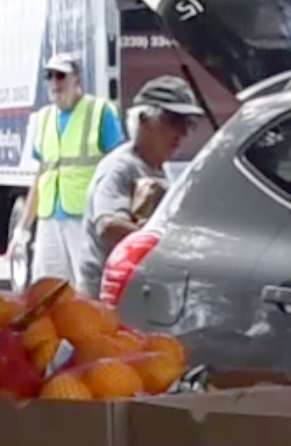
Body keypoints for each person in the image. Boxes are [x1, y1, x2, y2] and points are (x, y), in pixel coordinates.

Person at [83, 76, 205, 294]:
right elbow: (108, 228)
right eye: (173, 121)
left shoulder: (155, 166)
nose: (183, 133)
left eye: (188, 124)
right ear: (144, 120)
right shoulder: (120, 167)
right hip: (103, 296)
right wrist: (163, 240)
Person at [22, 54, 123, 294]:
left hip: (85, 219)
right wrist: (22, 227)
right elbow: (41, 174)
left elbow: (118, 166)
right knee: (47, 292)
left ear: (77, 79)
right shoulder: (43, 118)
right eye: (49, 76)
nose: (54, 83)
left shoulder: (100, 112)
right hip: (49, 220)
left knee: (88, 292)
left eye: (61, 76)